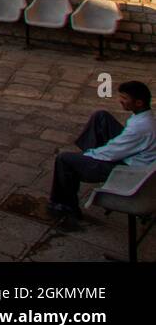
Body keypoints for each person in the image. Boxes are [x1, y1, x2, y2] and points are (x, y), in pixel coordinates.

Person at [48, 81, 155, 226]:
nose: (120, 101)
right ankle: (85, 163)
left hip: (130, 168)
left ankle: (66, 206)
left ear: (138, 102)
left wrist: (90, 155)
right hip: (131, 152)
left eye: (124, 98)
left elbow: (113, 152)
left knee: (64, 159)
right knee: (101, 116)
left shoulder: (140, 128)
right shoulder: (146, 118)